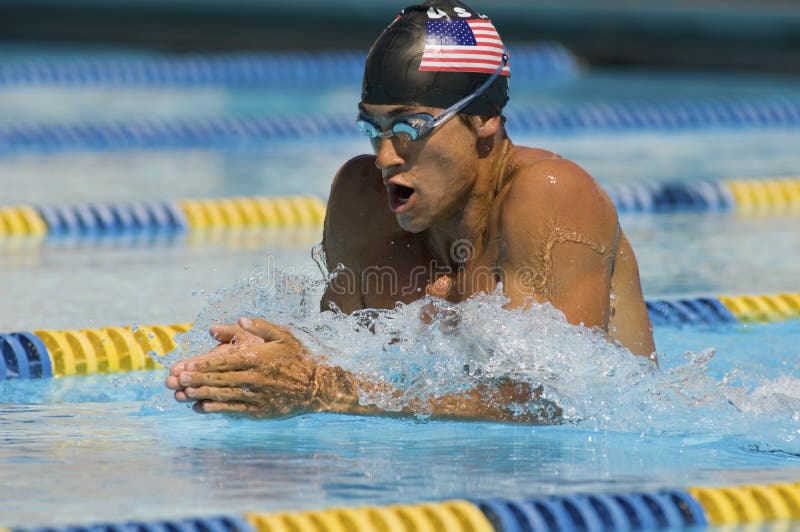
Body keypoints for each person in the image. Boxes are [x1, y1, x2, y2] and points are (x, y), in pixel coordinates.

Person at [166, 0, 656, 423]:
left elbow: (558, 403)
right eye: (374, 128)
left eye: (410, 127)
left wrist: (327, 390)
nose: (385, 157)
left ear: (483, 118)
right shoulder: (363, 198)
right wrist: (260, 367)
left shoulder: (551, 196)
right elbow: (341, 355)